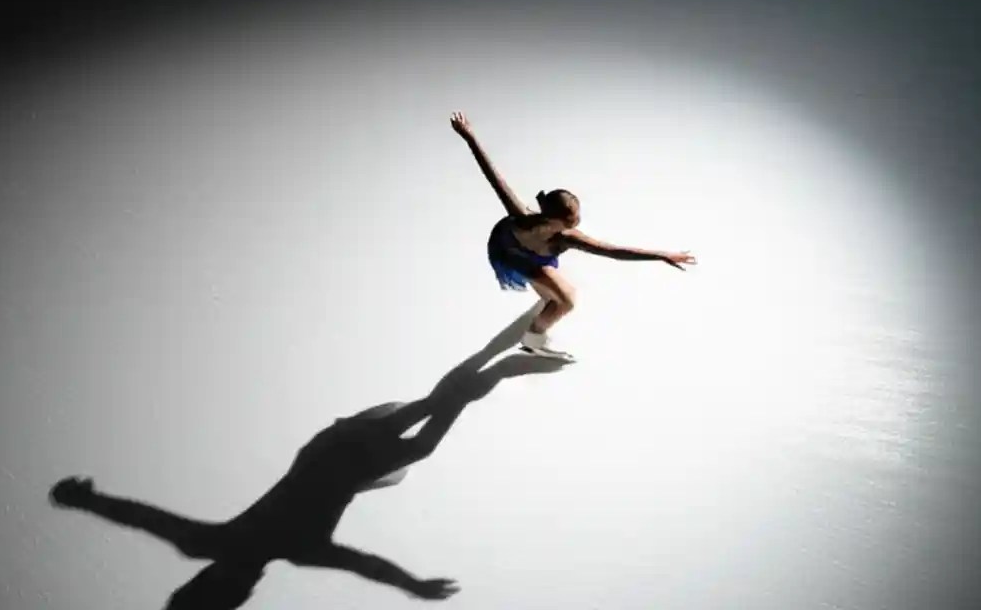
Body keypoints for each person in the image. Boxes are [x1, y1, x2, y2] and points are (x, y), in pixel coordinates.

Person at [49, 304, 565, 609]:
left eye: (235, 592)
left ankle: (502, 357)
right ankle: (502, 362)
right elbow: (365, 565)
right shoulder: (295, 549)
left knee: (429, 412)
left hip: (333, 457)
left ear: (216, 582)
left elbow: (143, 517)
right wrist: (412, 585)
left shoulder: (213, 543)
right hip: (351, 466)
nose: (249, 587)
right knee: (428, 426)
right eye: (243, 596)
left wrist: (86, 500)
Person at [451, 111, 697, 361]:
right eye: (568, 221)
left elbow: (612, 251)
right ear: (549, 219)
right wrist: (469, 136)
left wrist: (661, 255)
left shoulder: (567, 237)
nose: (575, 224)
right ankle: (533, 338)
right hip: (509, 251)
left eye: (575, 219)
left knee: (557, 294)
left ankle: (544, 304)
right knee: (567, 300)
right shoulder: (522, 216)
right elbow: (494, 177)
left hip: (529, 256)